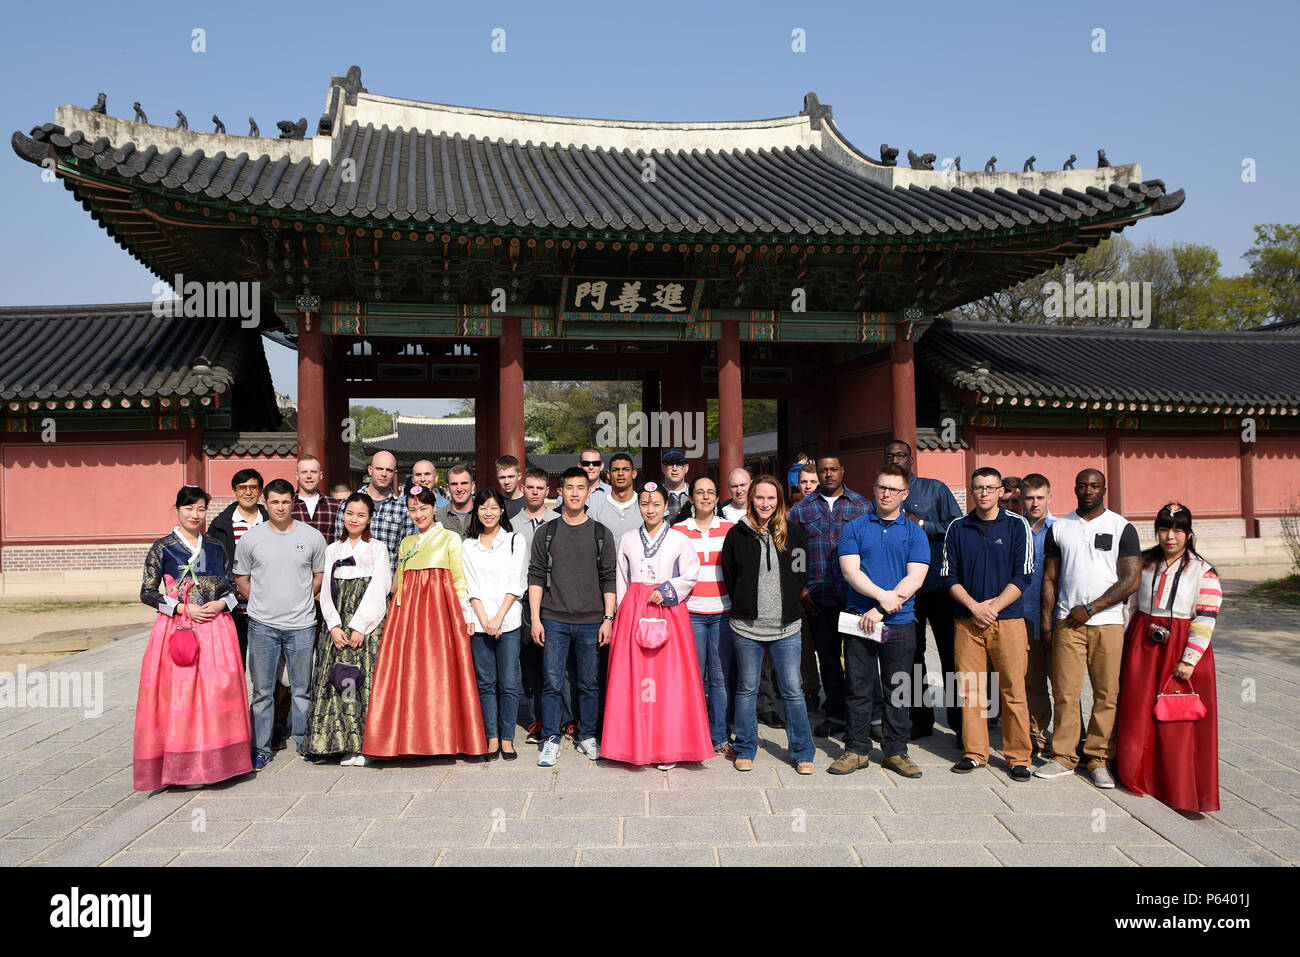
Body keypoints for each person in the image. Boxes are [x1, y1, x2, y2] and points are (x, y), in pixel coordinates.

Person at [134, 485, 252, 790]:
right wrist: (181, 607)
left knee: (216, 693)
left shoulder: (215, 547)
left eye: (200, 509)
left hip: (216, 626)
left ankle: (221, 763)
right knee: (181, 696)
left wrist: (220, 604)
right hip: (178, 629)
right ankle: (182, 766)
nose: (194, 515)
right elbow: (147, 593)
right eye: (188, 508)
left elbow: (232, 589)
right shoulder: (163, 548)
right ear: (178, 510)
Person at [363, 485, 487, 758]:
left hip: (440, 615)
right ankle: (407, 738)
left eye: (423, 508)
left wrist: (466, 615)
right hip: (406, 616)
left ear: (434, 508)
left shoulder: (450, 538)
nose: (418, 514)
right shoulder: (406, 543)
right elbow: (399, 582)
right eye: (412, 509)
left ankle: (443, 738)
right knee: (408, 675)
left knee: (438, 672)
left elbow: (458, 580)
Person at [1035, 469, 1141, 788]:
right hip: (1067, 622)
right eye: (1083, 485)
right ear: (1075, 488)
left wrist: (1093, 608)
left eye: (1095, 485)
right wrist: (1047, 622)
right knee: (1066, 693)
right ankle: (1064, 756)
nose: (1088, 490)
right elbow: (1050, 578)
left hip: (1107, 624)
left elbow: (1131, 580)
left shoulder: (1122, 527)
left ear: (1104, 488)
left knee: (1106, 693)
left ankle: (1098, 758)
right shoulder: (1061, 528)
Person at [1116, 503, 1221, 812]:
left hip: (1180, 646)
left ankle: (1178, 789)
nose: (1169, 536)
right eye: (1163, 529)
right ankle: (1135, 775)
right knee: (1136, 710)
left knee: (1176, 718)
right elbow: (1130, 605)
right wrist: (1123, 641)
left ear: (1189, 534)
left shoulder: (1203, 571)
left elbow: (1206, 618)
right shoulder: (1144, 564)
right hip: (1141, 641)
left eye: (1177, 530)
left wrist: (1190, 659)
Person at [602, 483, 710, 769]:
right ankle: (632, 743)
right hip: (634, 610)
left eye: (656, 504)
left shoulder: (678, 539)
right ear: (640, 506)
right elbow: (621, 579)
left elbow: (691, 573)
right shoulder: (627, 539)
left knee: (668, 682)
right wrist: (619, 615)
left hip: (668, 610)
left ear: (666, 507)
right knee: (634, 679)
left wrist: (669, 588)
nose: (650, 510)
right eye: (645, 505)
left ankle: (668, 746)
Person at [832, 464, 930, 778]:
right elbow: (850, 571)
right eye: (881, 487)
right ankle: (856, 749)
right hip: (860, 620)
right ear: (874, 489)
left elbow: (915, 578)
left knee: (897, 689)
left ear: (904, 494)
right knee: (858, 688)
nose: (885, 494)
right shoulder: (856, 527)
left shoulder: (915, 532)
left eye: (892, 489)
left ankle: (896, 751)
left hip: (899, 623)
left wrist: (883, 610)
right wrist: (879, 601)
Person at [941, 467, 1035, 780]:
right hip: (967, 620)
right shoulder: (958, 527)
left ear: (1000, 491)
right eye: (978, 488)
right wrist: (973, 607)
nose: (984, 493)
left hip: (1007, 619)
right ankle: (975, 752)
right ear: (971, 491)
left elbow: (1023, 575)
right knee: (971, 691)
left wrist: (992, 608)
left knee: (1012, 689)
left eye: (990, 487)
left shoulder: (1017, 525)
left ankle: (1019, 757)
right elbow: (948, 575)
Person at [721, 475, 815, 774]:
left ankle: (802, 751)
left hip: (786, 627)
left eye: (771, 498)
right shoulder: (737, 535)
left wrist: (786, 602)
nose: (765, 504)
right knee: (747, 689)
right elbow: (730, 574)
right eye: (759, 498)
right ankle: (745, 747)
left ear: (779, 501)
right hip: (747, 627)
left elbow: (801, 572)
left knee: (792, 690)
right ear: (751, 499)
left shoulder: (795, 534)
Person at [233, 479, 327, 771]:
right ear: (266, 502)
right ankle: (260, 747)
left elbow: (318, 576)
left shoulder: (312, 537)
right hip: (262, 625)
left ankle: (302, 740)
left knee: (302, 688)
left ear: (293, 502)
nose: (280, 507)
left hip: (301, 624)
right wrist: (262, 604)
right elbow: (241, 579)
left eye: (285, 502)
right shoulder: (251, 538)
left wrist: (300, 600)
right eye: (274, 502)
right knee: (262, 691)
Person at [529, 467, 617, 767]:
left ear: (589, 492)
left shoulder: (601, 534)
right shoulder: (547, 532)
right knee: (552, 682)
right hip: (553, 618)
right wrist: (537, 619)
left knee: (589, 683)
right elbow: (536, 576)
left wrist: (608, 618)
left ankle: (588, 734)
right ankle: (552, 737)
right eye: (569, 487)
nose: (576, 492)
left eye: (581, 487)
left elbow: (609, 578)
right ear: (560, 492)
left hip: (592, 620)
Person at [885, 439, 964, 739]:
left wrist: (923, 524)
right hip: (905, 590)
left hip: (938, 585)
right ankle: (920, 720)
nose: (895, 460)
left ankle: (959, 723)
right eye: (889, 456)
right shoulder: (882, 494)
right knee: (912, 655)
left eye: (900, 456)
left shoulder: (934, 488)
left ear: (911, 459)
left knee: (950, 655)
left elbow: (957, 525)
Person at [788, 453, 871, 737]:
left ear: (842, 471)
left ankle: (868, 716)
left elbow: (870, 551)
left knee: (861, 660)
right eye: (823, 470)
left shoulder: (861, 506)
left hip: (855, 598)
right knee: (829, 659)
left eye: (833, 469)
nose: (828, 474)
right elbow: (792, 552)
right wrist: (802, 588)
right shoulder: (801, 510)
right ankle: (835, 713)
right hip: (819, 598)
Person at [305, 493, 391, 767]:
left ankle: (367, 744)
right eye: (350, 513)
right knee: (339, 680)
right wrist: (333, 625)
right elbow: (327, 594)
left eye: (361, 515)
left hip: (367, 625)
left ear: (369, 519)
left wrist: (360, 626)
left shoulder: (378, 549)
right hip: (338, 624)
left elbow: (380, 588)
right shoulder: (333, 550)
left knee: (364, 680)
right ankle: (341, 744)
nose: (354, 519)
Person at [672, 475, 736, 753]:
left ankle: (720, 735)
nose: (706, 497)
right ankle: (693, 733)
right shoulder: (677, 531)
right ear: (691, 498)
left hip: (723, 611)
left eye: (711, 492)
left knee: (720, 678)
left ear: (717, 498)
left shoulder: (731, 529)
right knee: (693, 677)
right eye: (700, 492)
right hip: (691, 612)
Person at [463, 488, 528, 760]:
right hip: (480, 623)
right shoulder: (468, 545)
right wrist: (484, 619)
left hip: (508, 620)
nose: (488, 513)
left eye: (493, 507)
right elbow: (470, 586)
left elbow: (517, 582)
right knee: (485, 682)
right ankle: (491, 737)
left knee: (510, 682)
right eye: (483, 507)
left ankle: (508, 737)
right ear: (476, 512)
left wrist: (498, 617)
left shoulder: (515, 541)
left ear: (502, 510)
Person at [515, 467, 563, 741]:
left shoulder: (560, 520)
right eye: (530, 487)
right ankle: (535, 722)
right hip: (525, 599)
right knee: (531, 665)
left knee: (556, 667)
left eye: (539, 488)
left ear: (548, 492)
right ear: (523, 489)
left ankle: (562, 721)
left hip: (556, 598)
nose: (534, 492)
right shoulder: (511, 523)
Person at [207, 467, 268, 666]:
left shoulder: (272, 522)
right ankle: (237, 698)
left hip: (268, 609)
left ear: (261, 491)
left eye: (253, 487)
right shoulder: (220, 526)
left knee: (268, 667)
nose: (248, 492)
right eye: (243, 487)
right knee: (234, 665)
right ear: (235, 490)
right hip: (233, 609)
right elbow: (211, 568)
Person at [1020, 473, 1057, 758]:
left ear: (1049, 497)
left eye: (1039, 497)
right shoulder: (1015, 529)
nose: (1035, 503)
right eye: (1029, 497)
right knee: (1032, 682)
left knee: (1063, 684)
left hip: (1058, 618)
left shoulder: (1061, 529)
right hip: (1023, 616)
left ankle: (1072, 740)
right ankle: (1038, 737)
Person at [334, 451, 417, 567]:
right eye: (379, 469)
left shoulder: (403, 509)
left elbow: (404, 554)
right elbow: (339, 546)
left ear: (394, 473)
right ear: (370, 470)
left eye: (389, 470)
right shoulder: (348, 505)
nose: (384, 474)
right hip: (354, 577)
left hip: (388, 580)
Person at [588, 452, 641, 542]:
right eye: (615, 470)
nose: (620, 473)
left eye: (626, 469)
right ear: (608, 474)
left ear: (634, 473)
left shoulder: (645, 506)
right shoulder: (595, 510)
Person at [291, 454, 340, 539]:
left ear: (321, 475)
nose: (309, 476)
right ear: (297, 476)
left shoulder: (334, 505)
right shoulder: (288, 505)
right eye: (304, 472)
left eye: (313, 472)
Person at [436, 463, 476, 539]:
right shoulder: (438, 517)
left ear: (472, 486)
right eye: (454, 484)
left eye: (464, 483)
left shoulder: (482, 514)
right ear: (448, 488)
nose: (459, 489)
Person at [660, 448, 691, 517]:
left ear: (686, 468)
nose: (674, 468)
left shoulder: (695, 494)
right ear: (663, 468)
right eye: (670, 464)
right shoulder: (656, 495)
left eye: (679, 464)